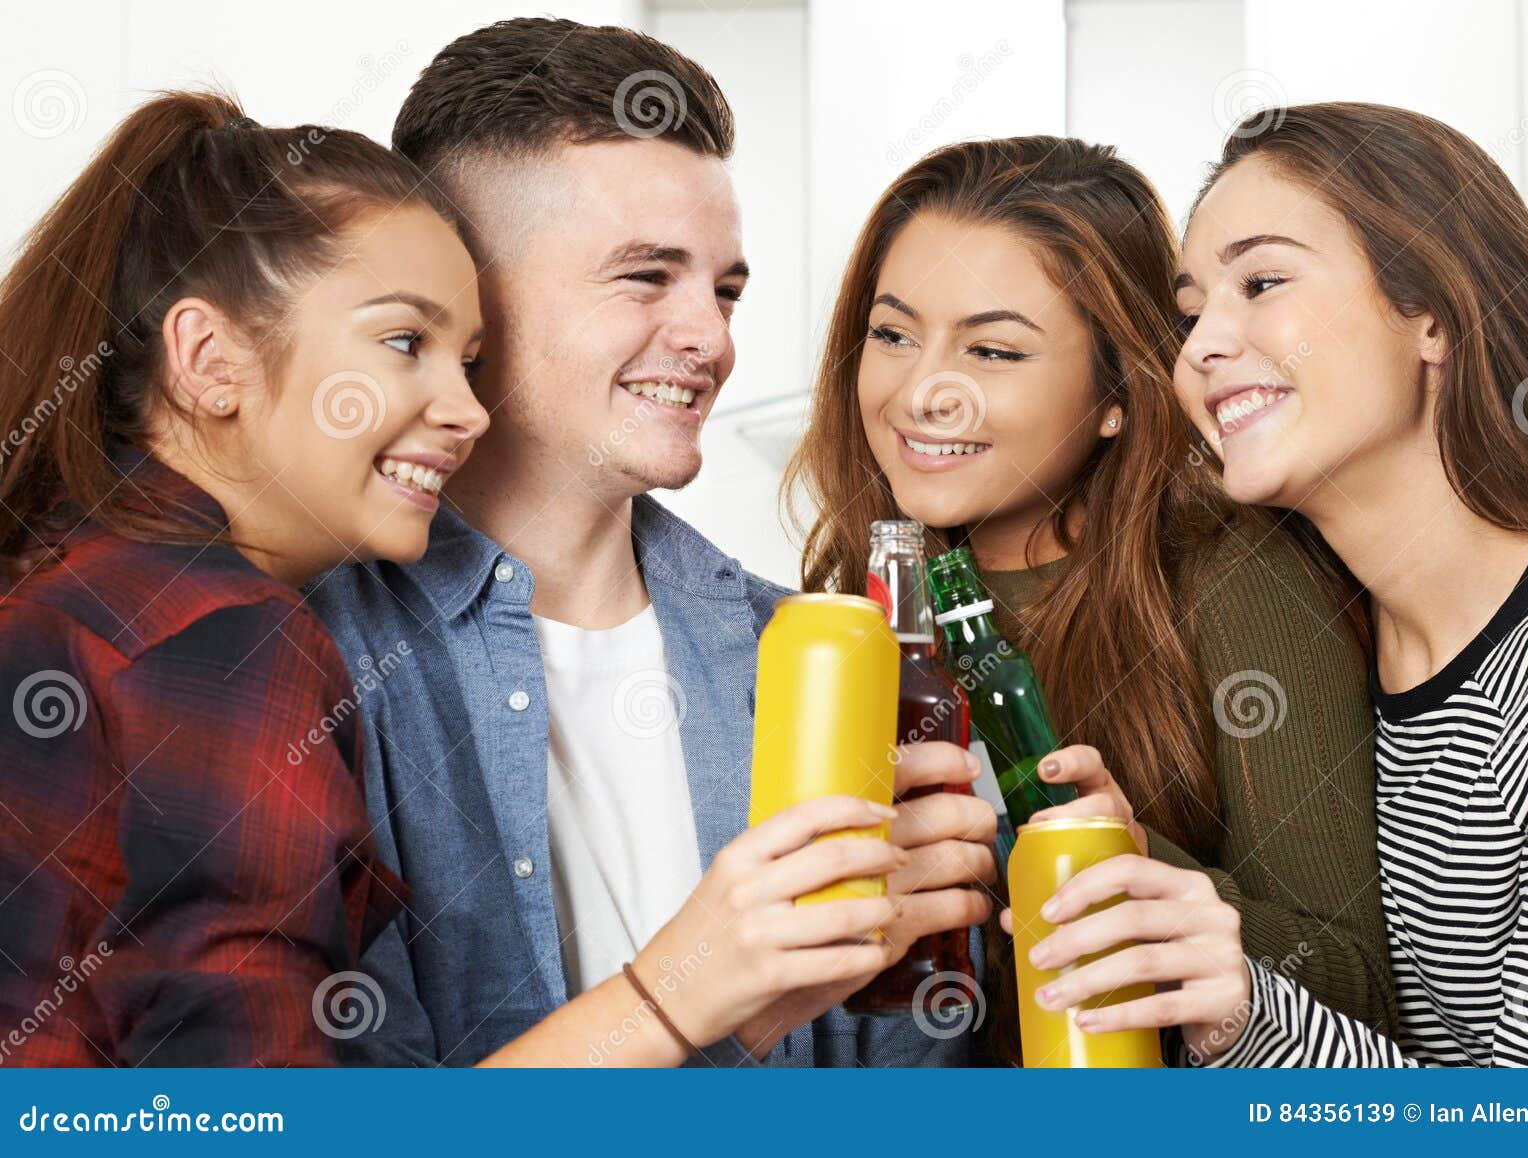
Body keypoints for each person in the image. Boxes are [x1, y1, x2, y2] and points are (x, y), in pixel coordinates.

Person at [307, 16, 996, 1067]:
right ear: (469, 294)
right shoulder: (310, 657)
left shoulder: (810, 651)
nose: (713, 339)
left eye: (724, 289)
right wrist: (707, 994)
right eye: (645, 276)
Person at [783, 135, 1395, 1063]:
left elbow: (1358, 990)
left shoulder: (1233, 573)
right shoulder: (854, 613)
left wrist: (1126, 861)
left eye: (992, 349)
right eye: (894, 334)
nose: (923, 392)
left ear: (1117, 389)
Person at [1025, 102, 1528, 1067]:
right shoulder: (1317, 630)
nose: (1203, 344)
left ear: (1434, 315)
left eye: (1262, 280)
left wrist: (1248, 1019)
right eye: (1191, 308)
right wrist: (1134, 857)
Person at [0, 91, 489, 1064]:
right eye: (405, 343)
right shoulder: (217, 638)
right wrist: (671, 999)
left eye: (471, 362)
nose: (469, 410)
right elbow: (262, 1116)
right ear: (209, 359)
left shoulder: (59, 575)